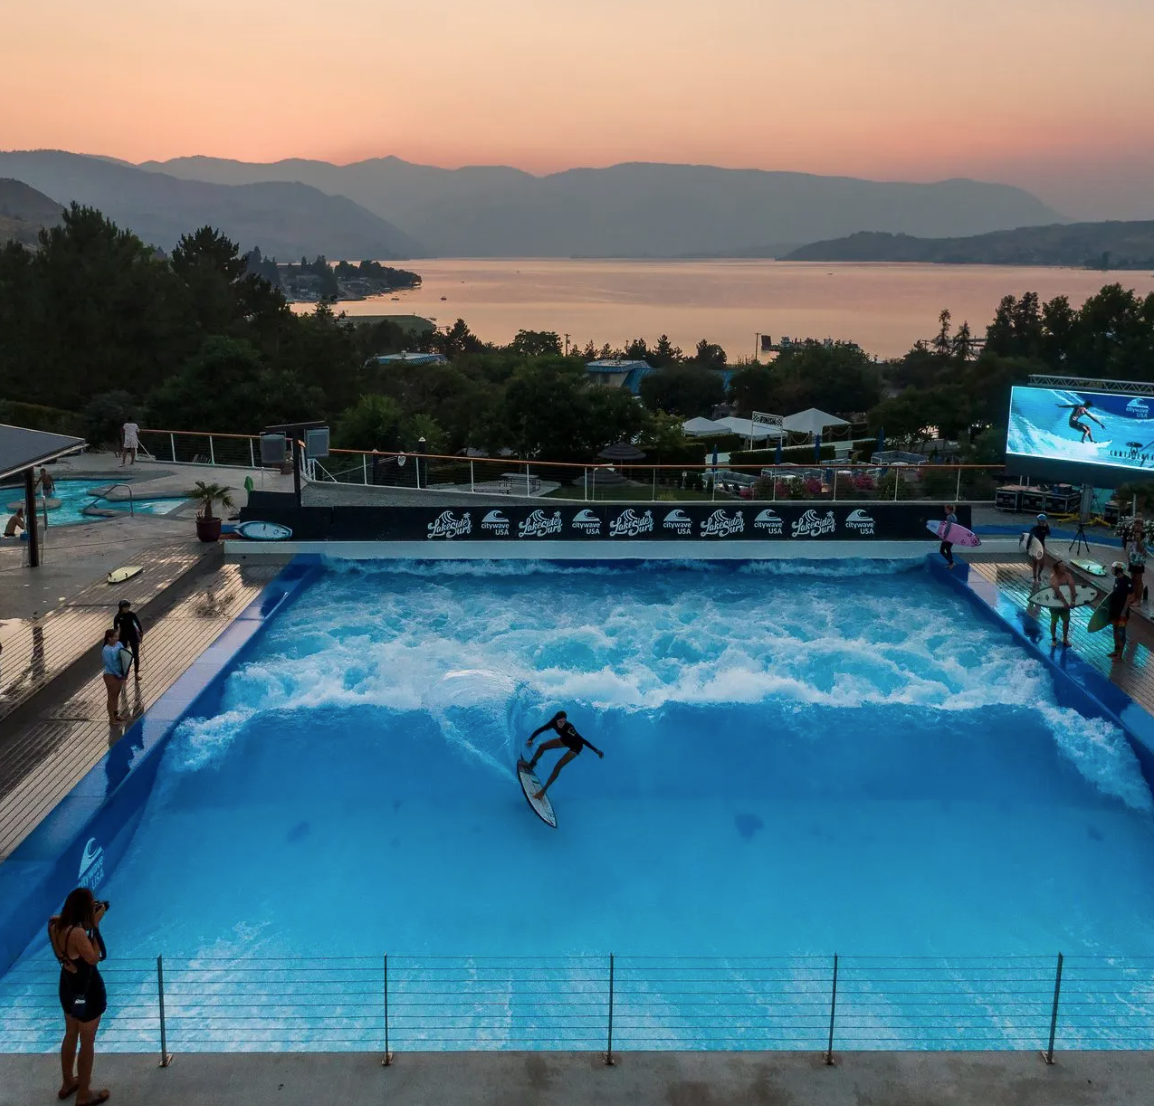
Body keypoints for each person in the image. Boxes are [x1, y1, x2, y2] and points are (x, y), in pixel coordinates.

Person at [47, 888, 110, 1106]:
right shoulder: (77, 934)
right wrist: (95, 927)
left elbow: (58, 923)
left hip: (67, 987)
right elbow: (93, 958)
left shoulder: (54, 925)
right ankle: (84, 1094)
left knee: (70, 1033)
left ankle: (67, 1082)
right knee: (87, 1041)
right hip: (86, 992)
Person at [523, 710, 604, 801]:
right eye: (560, 722)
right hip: (564, 741)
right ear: (556, 720)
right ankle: (531, 765)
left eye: (564, 721)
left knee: (558, 766)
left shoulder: (569, 727)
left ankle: (543, 791)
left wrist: (596, 750)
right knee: (542, 746)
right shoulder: (553, 723)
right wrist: (530, 739)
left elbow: (581, 739)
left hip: (576, 746)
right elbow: (540, 729)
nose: (562, 724)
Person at [1107, 562, 1133, 661]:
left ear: (1118, 570)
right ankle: (1116, 651)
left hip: (1122, 612)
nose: (1111, 570)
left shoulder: (1127, 581)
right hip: (1115, 610)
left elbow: (1129, 598)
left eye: (1113, 569)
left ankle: (1120, 655)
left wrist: (1124, 611)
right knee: (1115, 631)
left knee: (1121, 633)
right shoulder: (1117, 579)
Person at [1047, 559, 1077, 647]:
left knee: (1066, 621)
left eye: (1064, 566)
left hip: (1066, 604)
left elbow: (1073, 588)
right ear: (1058, 569)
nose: (1065, 568)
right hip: (1055, 604)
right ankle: (1054, 639)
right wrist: (1065, 603)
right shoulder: (1053, 577)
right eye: (1063, 567)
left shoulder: (1068, 576)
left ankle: (1065, 639)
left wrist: (1073, 601)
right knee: (1054, 621)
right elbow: (1058, 592)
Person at [112, 600, 143, 680]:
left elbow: (138, 624)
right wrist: (115, 639)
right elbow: (115, 629)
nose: (127, 608)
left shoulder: (132, 615)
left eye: (128, 607)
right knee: (123, 656)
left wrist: (140, 634)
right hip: (123, 637)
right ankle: (123, 674)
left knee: (136, 655)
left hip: (133, 636)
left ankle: (136, 673)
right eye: (125, 607)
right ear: (121, 608)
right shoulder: (118, 617)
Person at [100, 628, 125, 724]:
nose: (117, 638)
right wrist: (118, 675)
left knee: (116, 695)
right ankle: (111, 719)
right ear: (109, 638)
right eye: (115, 637)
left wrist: (124, 672)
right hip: (110, 675)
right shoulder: (106, 650)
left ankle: (115, 714)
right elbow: (109, 665)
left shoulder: (119, 644)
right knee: (111, 697)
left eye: (117, 636)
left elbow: (124, 655)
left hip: (119, 674)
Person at [1126, 519, 1147, 608]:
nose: (1137, 526)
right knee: (1133, 579)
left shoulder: (1144, 536)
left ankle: (1138, 599)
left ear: (1142, 526)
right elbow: (1130, 547)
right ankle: (1134, 597)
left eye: (1139, 525)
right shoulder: (1133, 534)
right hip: (1132, 561)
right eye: (1136, 524)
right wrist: (1128, 557)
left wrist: (1138, 540)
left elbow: (1141, 550)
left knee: (1138, 580)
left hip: (1139, 562)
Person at [1027, 513, 1051, 586]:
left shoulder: (1045, 529)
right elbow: (1030, 538)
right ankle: (1035, 578)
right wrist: (1028, 548)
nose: (1043, 522)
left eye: (1044, 521)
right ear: (1038, 521)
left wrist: (1047, 526)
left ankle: (1039, 574)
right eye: (1041, 521)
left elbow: (1049, 533)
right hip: (1035, 547)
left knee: (1042, 564)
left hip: (1042, 547)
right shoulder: (1034, 529)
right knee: (1035, 563)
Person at [939, 503, 958, 569]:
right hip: (953, 536)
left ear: (949, 509)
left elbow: (948, 527)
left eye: (946, 509)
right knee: (948, 549)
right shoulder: (954, 516)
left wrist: (944, 536)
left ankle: (951, 563)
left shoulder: (949, 517)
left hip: (948, 536)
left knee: (942, 550)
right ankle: (951, 563)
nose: (945, 510)